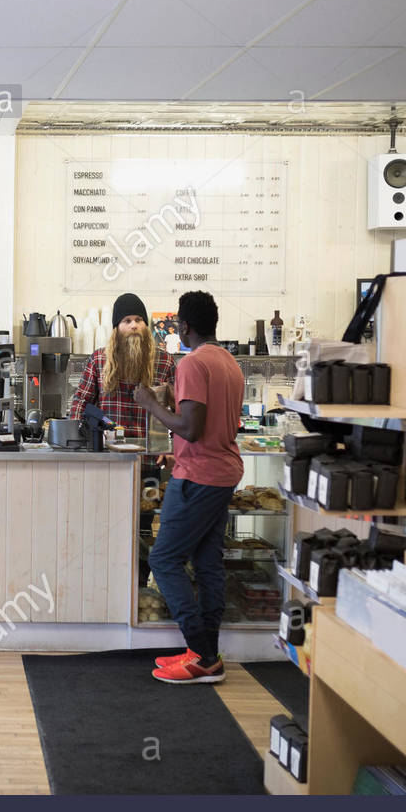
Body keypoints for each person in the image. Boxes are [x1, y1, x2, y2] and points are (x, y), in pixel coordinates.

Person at [133, 291, 244, 685]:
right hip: (224, 473)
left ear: (184, 326)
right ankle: (206, 656)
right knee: (209, 563)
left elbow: (190, 429)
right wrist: (172, 401)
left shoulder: (194, 364)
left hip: (197, 475)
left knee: (163, 560)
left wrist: (149, 402)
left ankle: (202, 652)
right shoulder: (229, 362)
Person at [68, 293, 176, 438]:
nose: (134, 326)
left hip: (151, 453)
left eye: (139, 320)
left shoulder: (165, 361)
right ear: (116, 328)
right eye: (127, 321)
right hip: (110, 454)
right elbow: (80, 402)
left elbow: (179, 408)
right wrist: (78, 438)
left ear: (145, 325)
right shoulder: (99, 360)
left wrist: (173, 447)